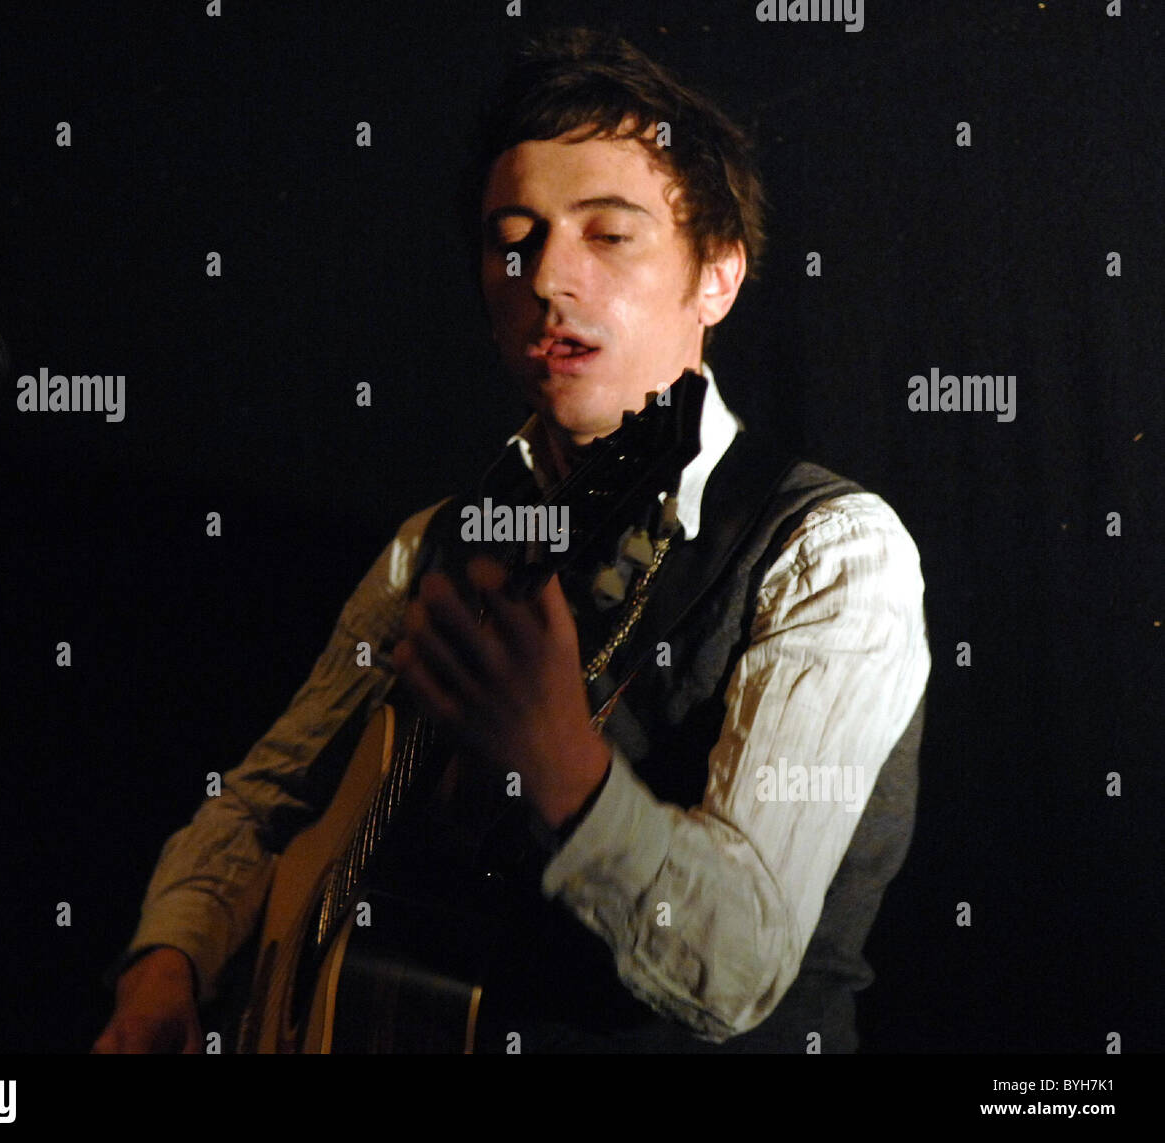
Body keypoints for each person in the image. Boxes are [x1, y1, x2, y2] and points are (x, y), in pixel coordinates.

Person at [93, 27, 929, 1054]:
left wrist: (561, 767)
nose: (545, 279)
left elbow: (743, 963)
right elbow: (266, 800)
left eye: (607, 234)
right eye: (513, 238)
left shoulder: (835, 554)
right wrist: (168, 965)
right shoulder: (436, 545)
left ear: (716, 277)